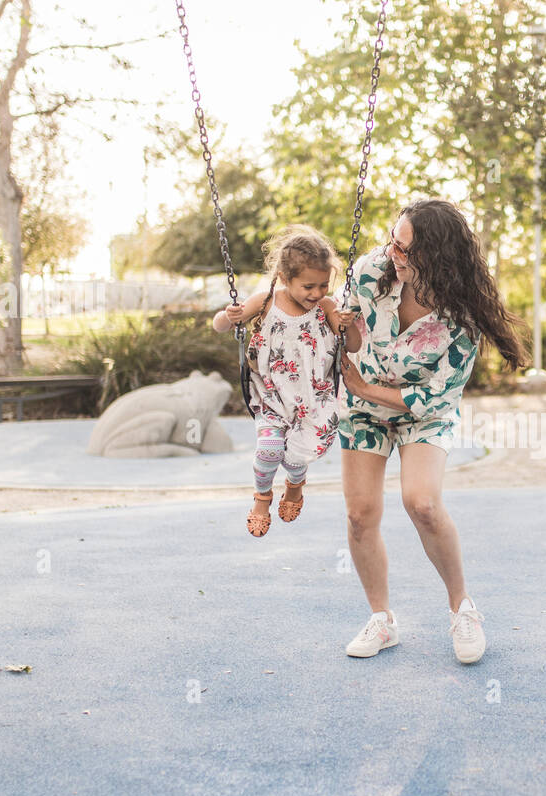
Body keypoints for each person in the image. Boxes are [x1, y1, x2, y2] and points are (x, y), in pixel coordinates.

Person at [333, 198, 527, 664]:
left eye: (406, 251)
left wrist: (364, 385)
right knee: (360, 515)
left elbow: (433, 399)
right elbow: (342, 327)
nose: (393, 255)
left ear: (437, 258)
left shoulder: (462, 318)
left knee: (421, 502)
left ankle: (462, 606)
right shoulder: (370, 272)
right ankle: (382, 619)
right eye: (393, 244)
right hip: (363, 408)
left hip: (422, 410)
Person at [212, 225, 360, 536]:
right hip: (271, 396)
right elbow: (219, 326)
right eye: (308, 286)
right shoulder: (266, 302)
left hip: (314, 399)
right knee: (268, 449)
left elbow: (354, 345)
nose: (316, 293)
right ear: (284, 278)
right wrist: (230, 316)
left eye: (323, 285)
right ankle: (262, 497)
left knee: (295, 458)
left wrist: (350, 326)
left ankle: (295, 486)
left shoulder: (328, 307)